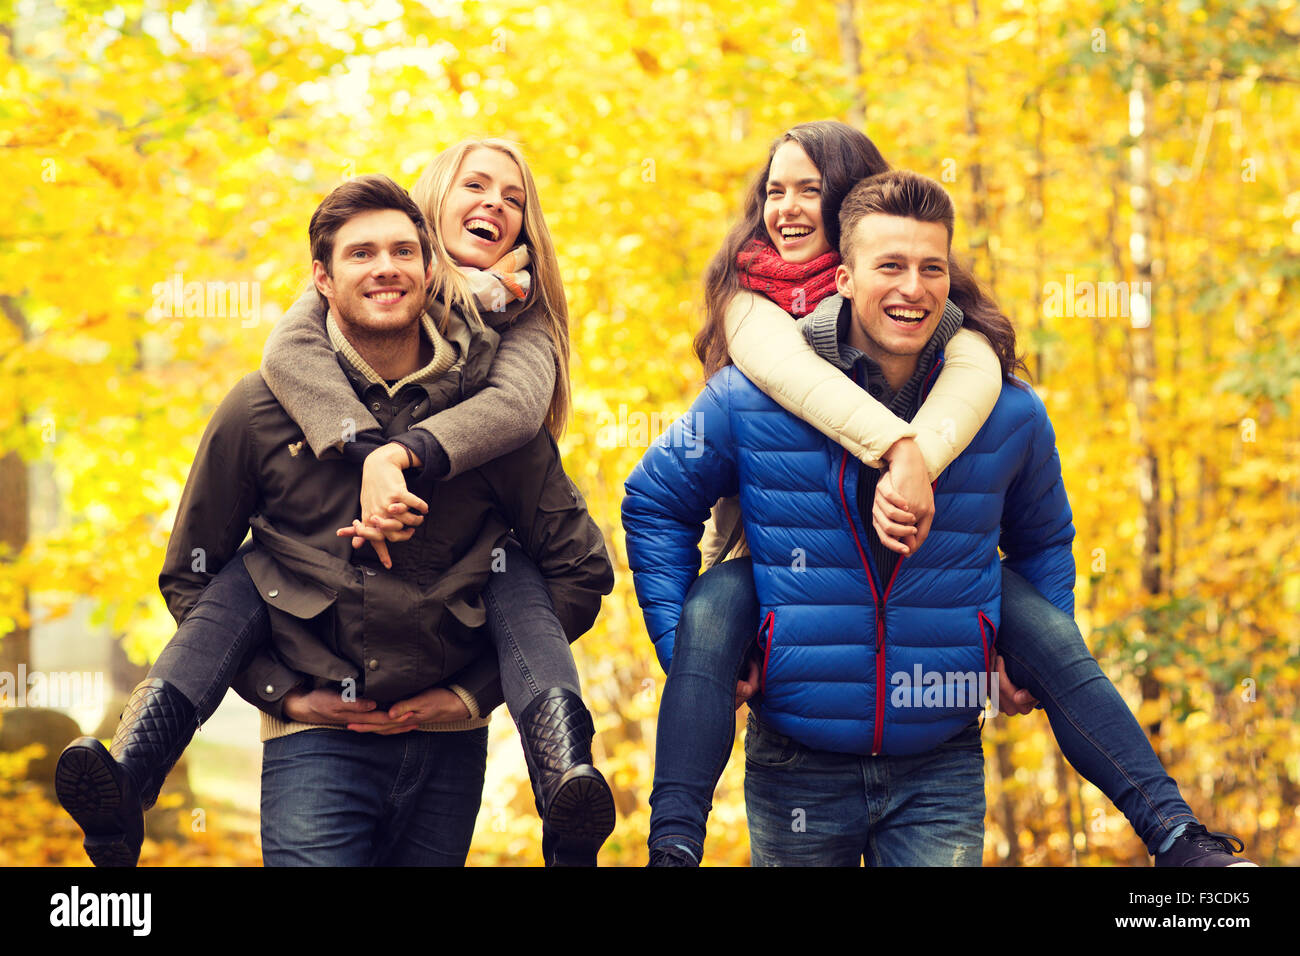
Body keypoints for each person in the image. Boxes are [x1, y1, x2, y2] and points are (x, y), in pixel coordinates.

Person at [631, 122, 1251, 867]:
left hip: (939, 759)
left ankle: (1181, 841)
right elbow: (655, 500)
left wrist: (1019, 657)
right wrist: (683, 649)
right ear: (845, 274)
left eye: (931, 268)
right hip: (799, 754)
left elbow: (1044, 539)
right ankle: (671, 849)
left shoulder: (1004, 405)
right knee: (716, 601)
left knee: (1028, 608)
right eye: (890, 265)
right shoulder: (752, 387)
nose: (913, 288)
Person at [55, 170, 615, 866]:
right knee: (248, 570)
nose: (386, 268)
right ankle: (129, 774)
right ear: (320, 279)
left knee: (516, 570)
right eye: (361, 254)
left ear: (430, 267)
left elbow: (580, 569)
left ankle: (565, 783)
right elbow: (191, 573)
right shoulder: (258, 410)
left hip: (445, 743)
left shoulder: (489, 418)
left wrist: (470, 694)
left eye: (402, 252)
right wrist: (283, 694)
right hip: (314, 744)